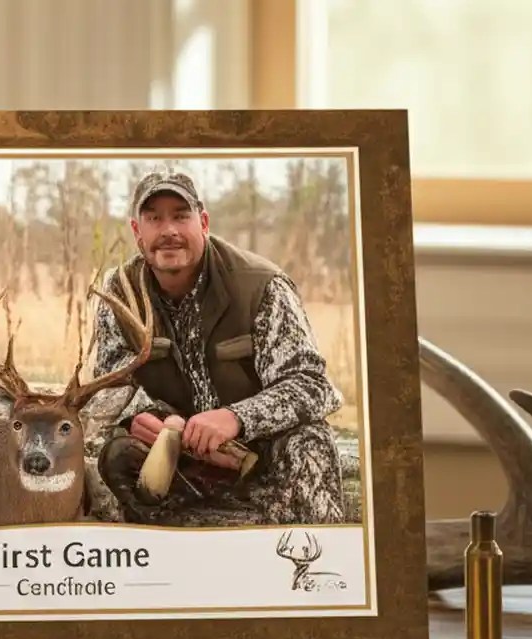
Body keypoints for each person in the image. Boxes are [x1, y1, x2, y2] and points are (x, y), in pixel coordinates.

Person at [94, 167, 348, 525]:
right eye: (154, 219)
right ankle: (174, 537)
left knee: (309, 443)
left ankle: (310, 552)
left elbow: (311, 385)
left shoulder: (261, 286)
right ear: (137, 231)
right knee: (118, 453)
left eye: (181, 216)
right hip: (176, 454)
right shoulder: (120, 292)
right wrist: (147, 417)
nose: (169, 231)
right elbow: (109, 384)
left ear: (204, 222)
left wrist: (236, 419)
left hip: (257, 452)